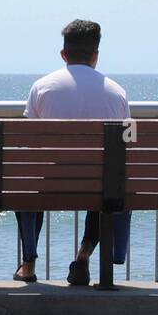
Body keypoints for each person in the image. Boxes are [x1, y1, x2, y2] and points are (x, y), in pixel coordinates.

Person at [14, 20, 131, 286]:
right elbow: (126, 149)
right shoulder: (117, 93)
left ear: (63, 55)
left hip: (49, 184)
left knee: (25, 183)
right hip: (99, 187)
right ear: (96, 56)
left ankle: (28, 264)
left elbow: (28, 146)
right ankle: (83, 256)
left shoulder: (41, 88)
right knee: (108, 181)